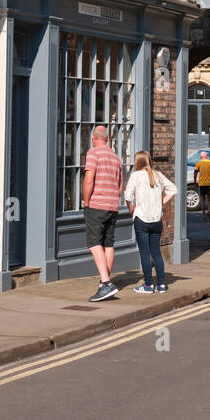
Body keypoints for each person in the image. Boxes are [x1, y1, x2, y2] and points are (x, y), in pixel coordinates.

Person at [125, 151, 176, 294]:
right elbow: (173, 189)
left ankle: (148, 285)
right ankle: (161, 285)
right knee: (156, 253)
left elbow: (128, 195)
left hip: (142, 219)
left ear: (138, 162)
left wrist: (131, 209)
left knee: (145, 253)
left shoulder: (136, 176)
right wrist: (162, 202)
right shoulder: (158, 175)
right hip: (156, 220)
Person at [82, 125, 123, 302]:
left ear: (93, 138)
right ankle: (103, 283)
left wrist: (86, 200)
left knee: (94, 243)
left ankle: (106, 283)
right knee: (108, 243)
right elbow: (120, 186)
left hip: (97, 204)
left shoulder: (93, 153)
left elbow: (89, 180)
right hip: (113, 205)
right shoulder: (115, 157)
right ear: (107, 139)